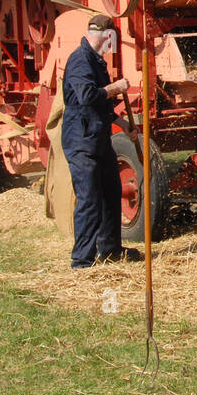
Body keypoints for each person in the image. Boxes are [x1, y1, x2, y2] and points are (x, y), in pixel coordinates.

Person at [62, 14, 131, 269]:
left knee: (111, 193)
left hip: (98, 137)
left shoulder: (96, 61)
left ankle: (111, 250)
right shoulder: (80, 60)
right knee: (89, 200)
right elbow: (87, 95)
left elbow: (101, 105)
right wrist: (116, 87)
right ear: (107, 35)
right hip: (81, 141)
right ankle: (82, 261)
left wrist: (122, 124)